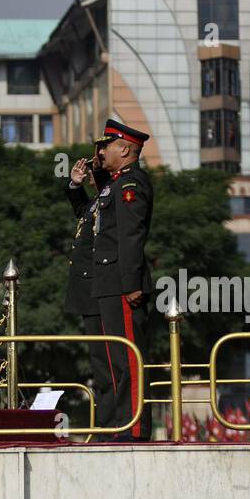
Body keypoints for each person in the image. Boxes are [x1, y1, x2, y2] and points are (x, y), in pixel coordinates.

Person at [90, 119, 155, 442]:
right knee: (112, 359)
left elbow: (130, 236)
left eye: (108, 146)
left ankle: (133, 427)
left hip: (121, 281)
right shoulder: (114, 184)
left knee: (128, 357)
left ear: (126, 149)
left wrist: (131, 283)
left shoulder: (131, 184)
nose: (101, 151)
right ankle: (117, 423)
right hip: (108, 280)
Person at [66, 140, 112, 436]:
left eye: (94, 169)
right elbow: (83, 211)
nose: (90, 174)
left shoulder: (111, 199)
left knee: (108, 363)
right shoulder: (97, 203)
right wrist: (74, 184)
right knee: (100, 365)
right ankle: (108, 422)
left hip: (101, 289)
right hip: (91, 291)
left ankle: (114, 424)